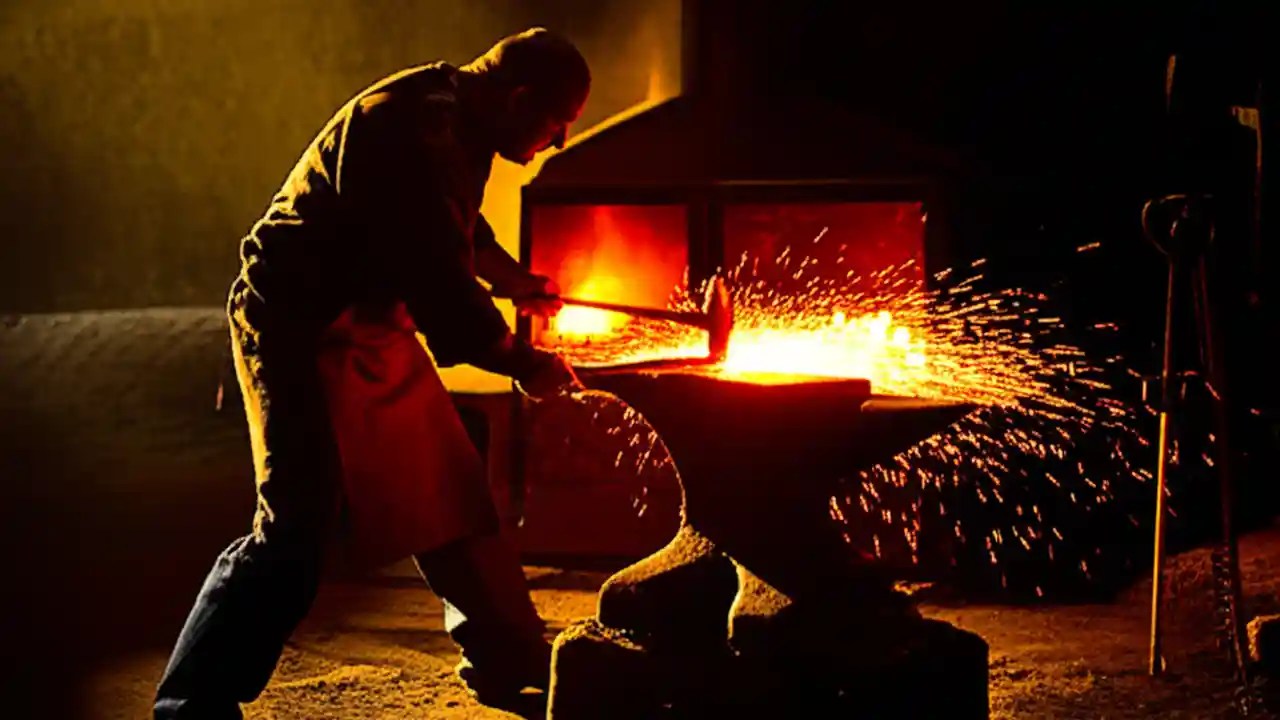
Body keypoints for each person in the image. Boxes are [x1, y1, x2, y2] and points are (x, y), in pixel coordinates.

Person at [154, 28, 591, 719]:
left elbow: (455, 234)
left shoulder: (456, 116)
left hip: (370, 324)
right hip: (293, 326)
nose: (559, 142)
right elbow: (437, 280)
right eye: (556, 125)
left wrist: (514, 280)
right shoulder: (412, 127)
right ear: (520, 98)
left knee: (446, 486)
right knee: (295, 525)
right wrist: (520, 359)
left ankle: (510, 659)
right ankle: (190, 702)